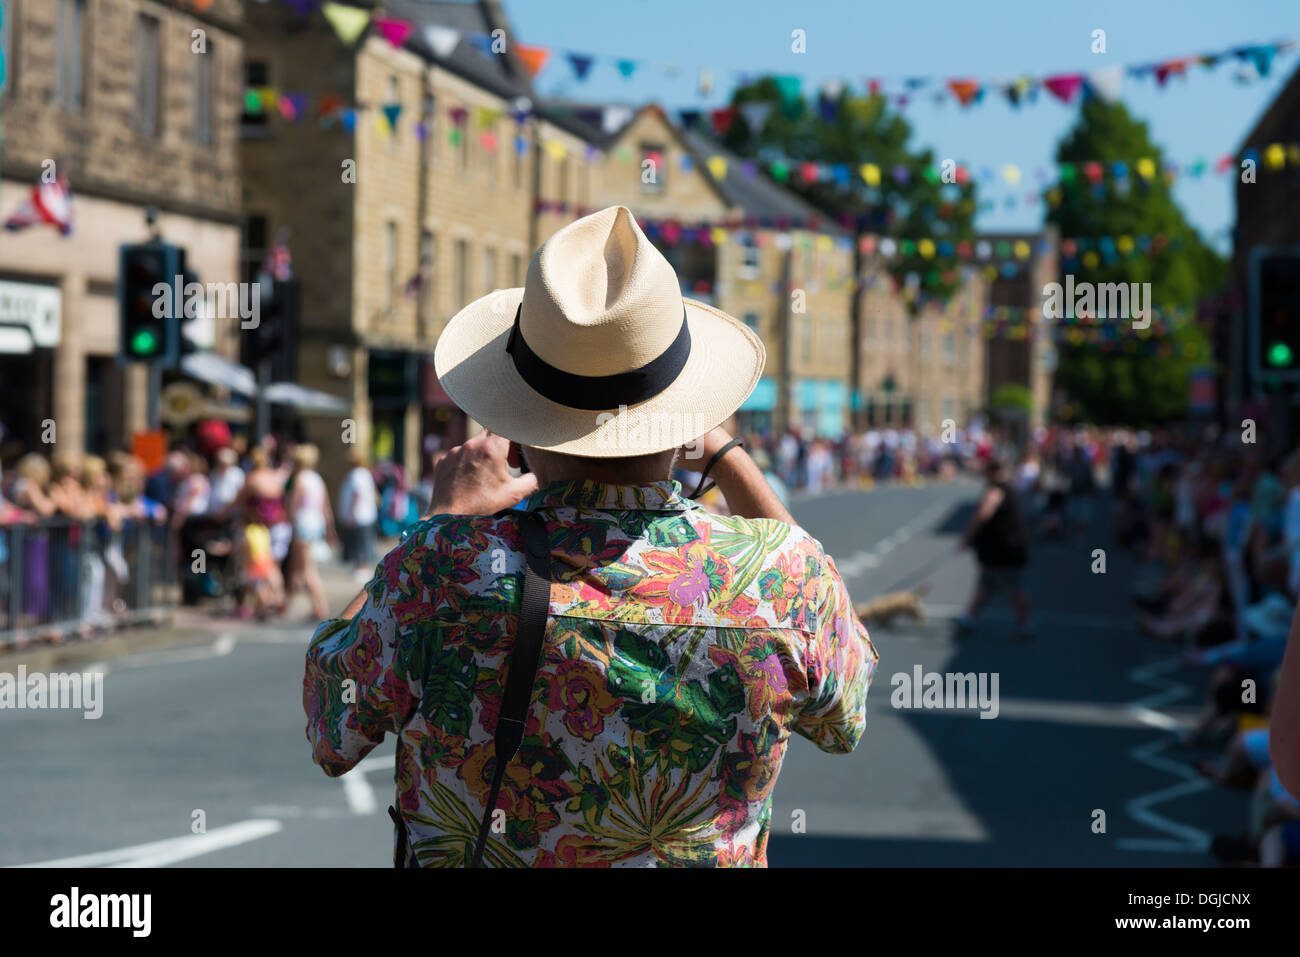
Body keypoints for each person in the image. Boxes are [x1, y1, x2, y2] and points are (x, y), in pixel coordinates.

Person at [303, 206, 878, 867]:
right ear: (684, 412)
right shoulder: (782, 576)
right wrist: (728, 456)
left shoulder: (439, 569)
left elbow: (331, 727)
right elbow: (845, 713)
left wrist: (438, 525)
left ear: (518, 425)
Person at [958, 458, 1033, 639]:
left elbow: (983, 514)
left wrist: (968, 537)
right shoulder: (1010, 487)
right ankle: (970, 617)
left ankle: (1025, 624)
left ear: (990, 472)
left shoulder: (996, 490)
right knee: (987, 584)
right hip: (1003, 549)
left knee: (1013, 586)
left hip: (1004, 549)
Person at [284, 443, 336, 621]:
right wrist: (330, 530)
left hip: (303, 523)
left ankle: (321, 606)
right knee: (297, 567)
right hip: (316, 523)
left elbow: (293, 505)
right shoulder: (317, 479)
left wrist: (289, 523)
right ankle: (287, 603)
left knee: (307, 569)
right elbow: (326, 507)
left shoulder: (300, 479)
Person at [337, 447, 379, 582]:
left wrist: (350, 513)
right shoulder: (364, 473)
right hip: (365, 515)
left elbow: (357, 494)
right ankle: (360, 567)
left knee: (361, 543)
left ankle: (362, 568)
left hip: (359, 515)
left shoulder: (357, 474)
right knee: (362, 542)